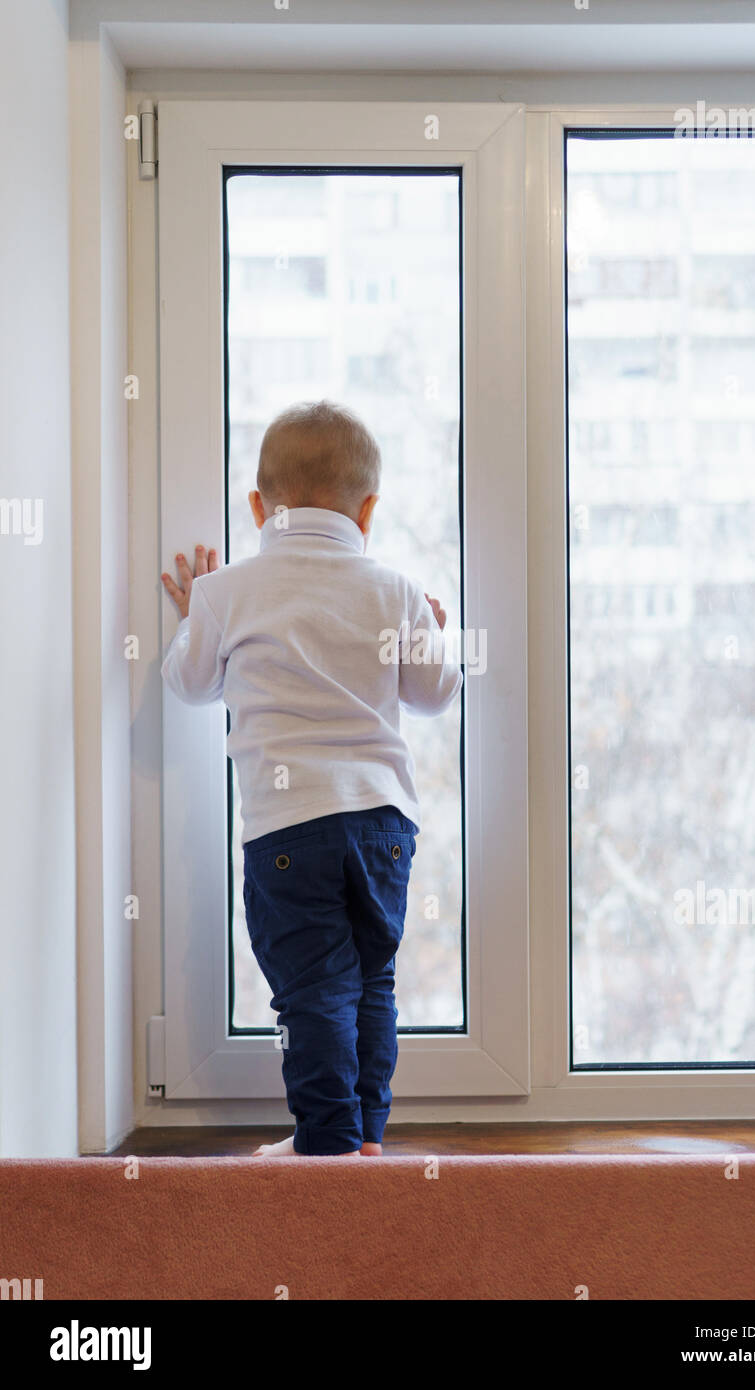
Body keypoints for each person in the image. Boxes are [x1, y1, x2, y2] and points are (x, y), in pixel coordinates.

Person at [160, 400, 462, 1156]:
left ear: (259, 506)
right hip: (383, 827)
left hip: (288, 829)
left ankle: (324, 1143)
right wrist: (435, 632)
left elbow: (190, 685)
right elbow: (434, 693)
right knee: (370, 984)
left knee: (313, 989)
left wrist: (194, 616)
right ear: (369, 509)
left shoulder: (229, 591)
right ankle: (363, 1135)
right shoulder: (394, 590)